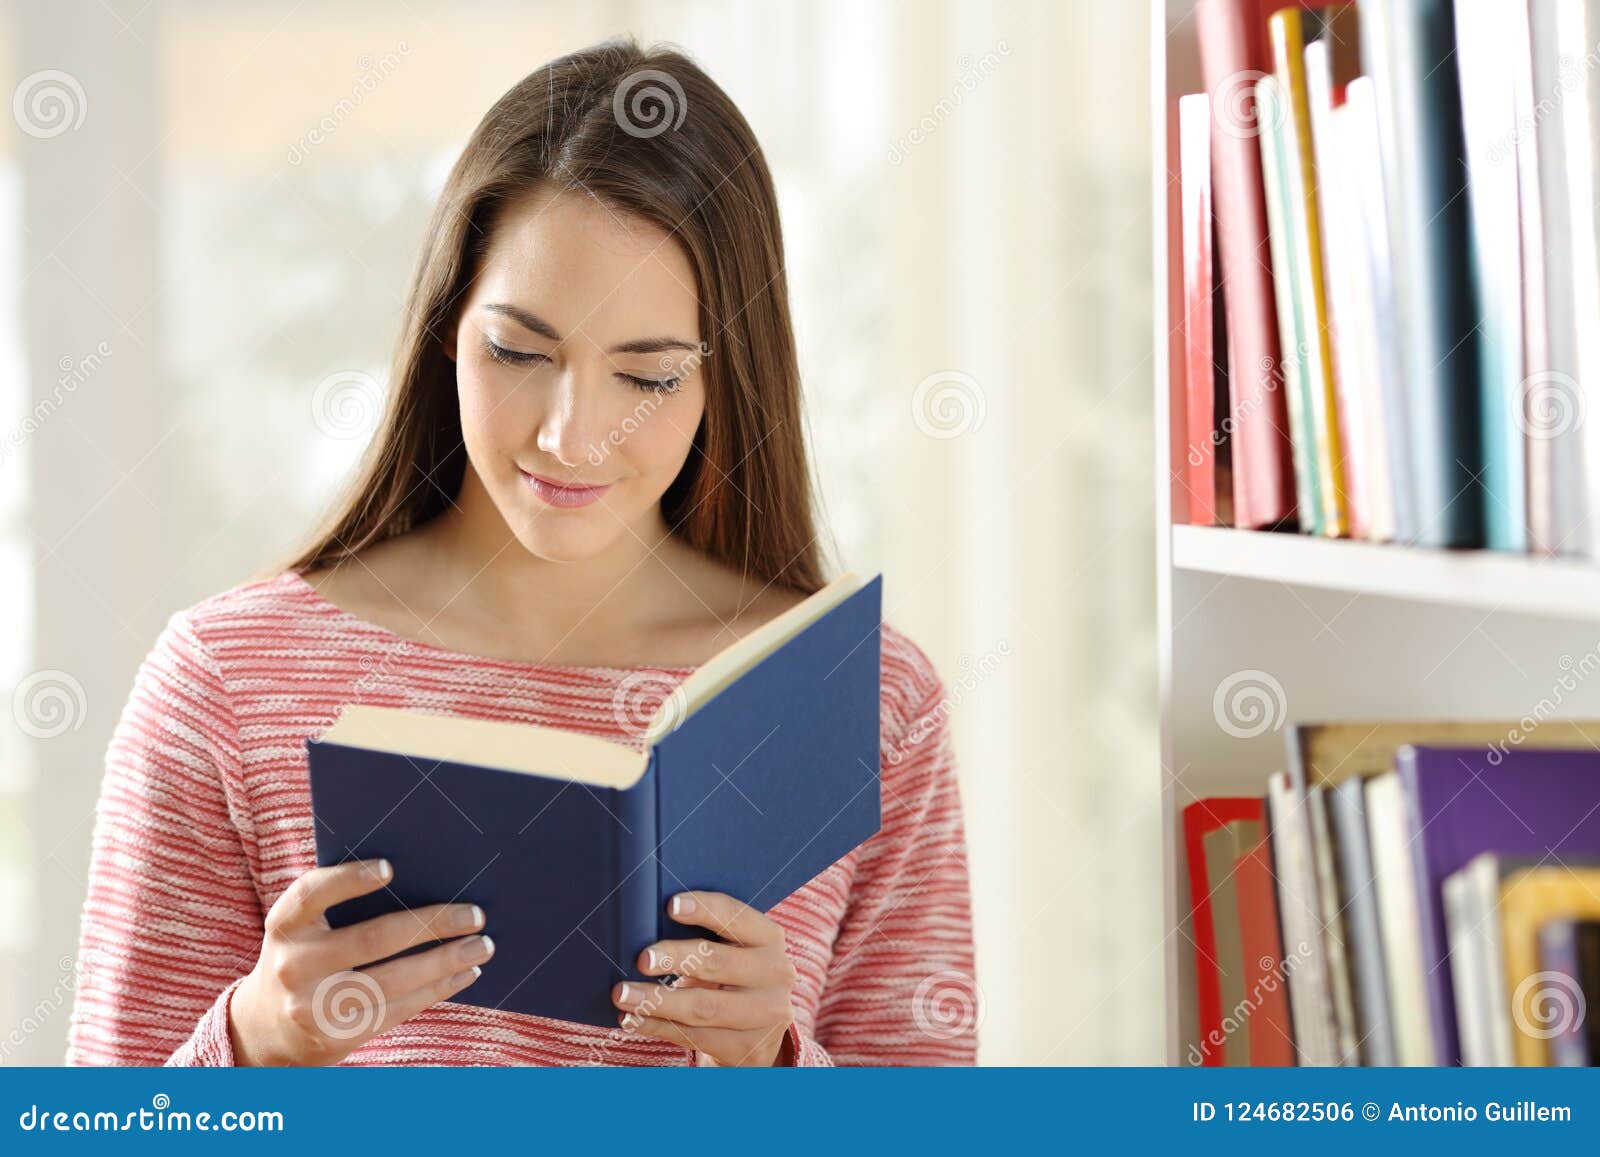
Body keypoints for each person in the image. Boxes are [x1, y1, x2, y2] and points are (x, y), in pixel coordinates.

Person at [65, 37, 975, 1067]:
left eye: (647, 376)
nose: (569, 435)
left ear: (727, 375)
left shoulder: (866, 703)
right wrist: (256, 1037)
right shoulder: (226, 684)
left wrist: (776, 1065)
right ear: (447, 329)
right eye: (518, 351)